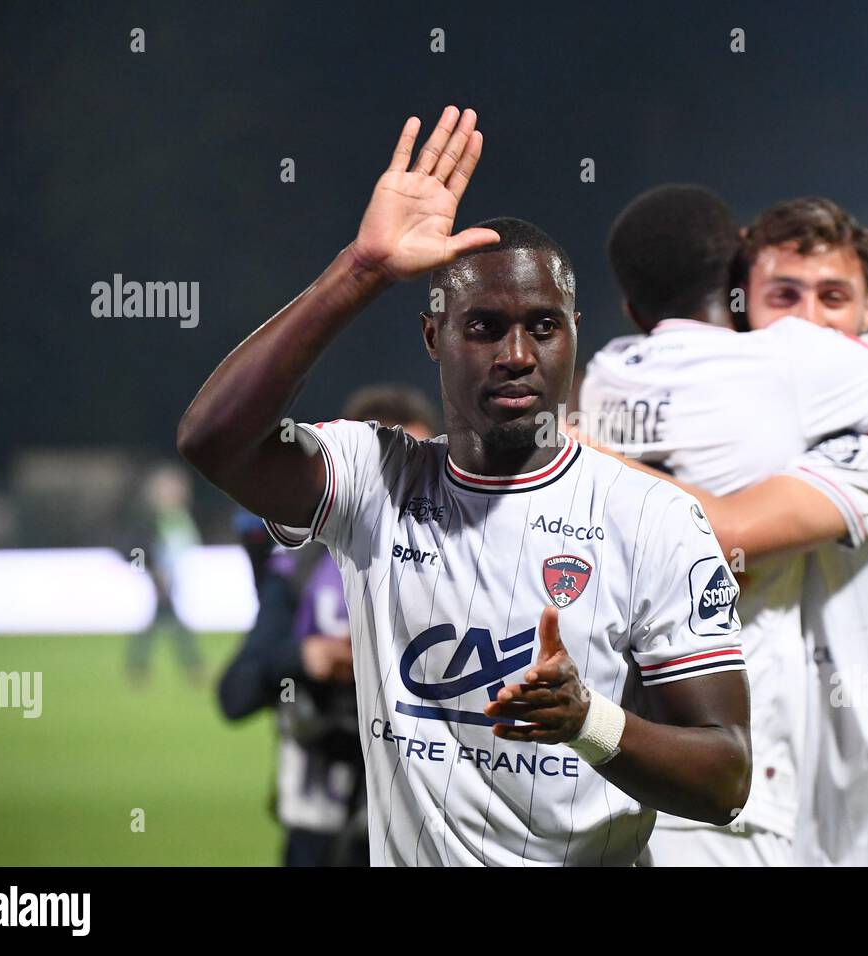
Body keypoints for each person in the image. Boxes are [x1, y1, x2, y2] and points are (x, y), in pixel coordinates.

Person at [177, 106, 752, 867]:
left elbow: (725, 779)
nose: (516, 353)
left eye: (543, 326)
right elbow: (211, 441)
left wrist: (588, 720)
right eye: (483, 326)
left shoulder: (654, 519)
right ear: (432, 336)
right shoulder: (375, 480)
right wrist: (362, 271)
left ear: (575, 332)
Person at [579, 184, 868, 866]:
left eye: (832, 299)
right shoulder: (792, 376)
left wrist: (586, 457)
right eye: (785, 296)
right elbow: (811, 367)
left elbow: (805, 368)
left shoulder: (605, 376)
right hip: (750, 789)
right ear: (739, 290)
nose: (808, 322)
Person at [218, 385, 440, 866]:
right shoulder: (303, 564)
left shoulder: (456, 567)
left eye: (421, 470)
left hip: (418, 836)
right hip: (317, 836)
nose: (411, 490)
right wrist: (309, 658)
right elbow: (235, 693)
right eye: (396, 472)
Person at [126, 463, 205, 686]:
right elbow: (142, 547)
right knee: (172, 621)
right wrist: (156, 573)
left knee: (159, 621)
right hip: (160, 577)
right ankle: (192, 666)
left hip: (172, 576)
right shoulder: (151, 518)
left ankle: (138, 667)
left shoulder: (179, 515)